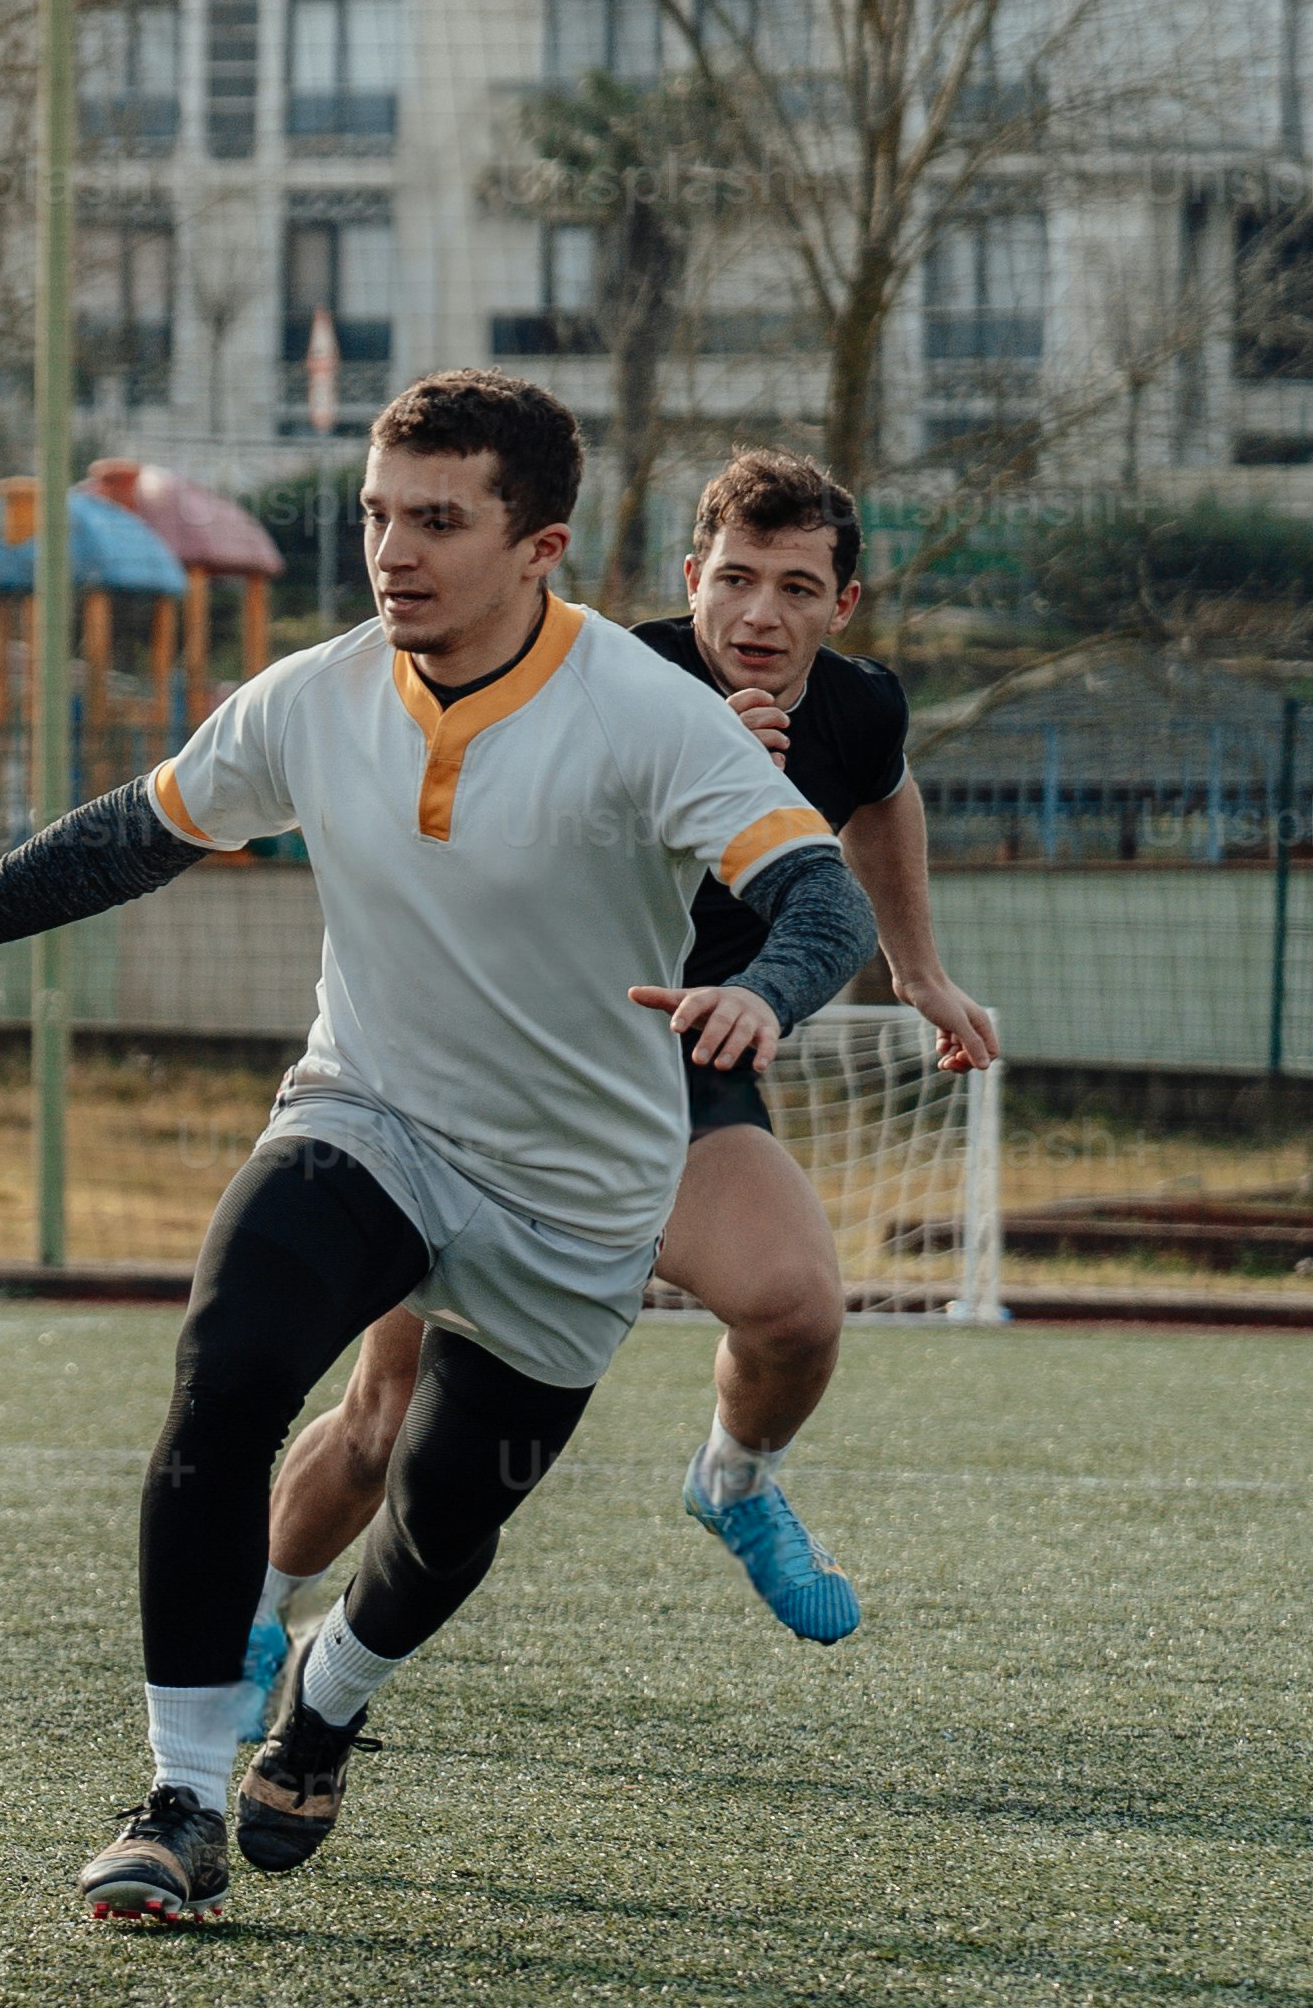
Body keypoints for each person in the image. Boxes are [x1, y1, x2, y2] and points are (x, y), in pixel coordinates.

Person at [0, 371, 881, 1926]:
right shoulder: (315, 693)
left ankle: (324, 1700)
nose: (392, 552)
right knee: (228, 1365)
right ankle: (177, 1794)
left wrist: (760, 988)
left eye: (437, 520)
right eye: (376, 515)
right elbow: (124, 835)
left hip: (575, 1184)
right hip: (370, 1115)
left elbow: (824, 896)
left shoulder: (642, 713)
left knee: (440, 1519)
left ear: (537, 543)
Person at [248, 446, 996, 1678]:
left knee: (797, 1308)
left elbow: (878, 796)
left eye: (797, 589)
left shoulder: (857, 706)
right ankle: (256, 1615)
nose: (761, 615)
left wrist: (918, 972)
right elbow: (485, 822)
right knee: (386, 1415)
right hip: (486, 1067)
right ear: (689, 577)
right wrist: (696, 780)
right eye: (737, 580)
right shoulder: (604, 679)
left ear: (840, 605)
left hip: (678, 1059)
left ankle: (733, 1481)